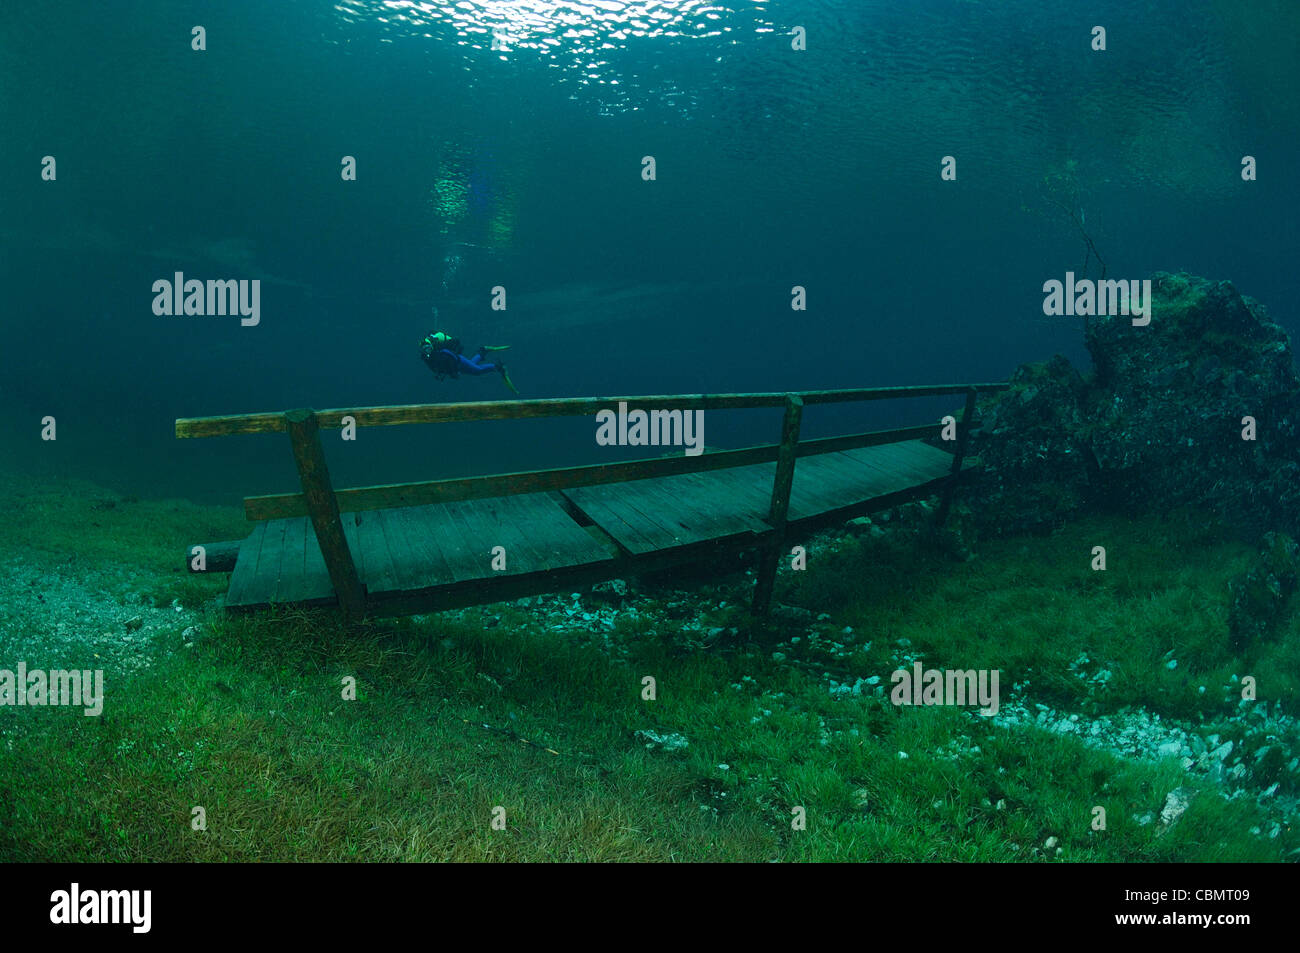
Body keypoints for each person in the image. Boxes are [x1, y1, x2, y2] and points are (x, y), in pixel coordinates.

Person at [420, 330, 517, 394]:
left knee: (477, 371)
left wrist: (453, 372)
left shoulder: (440, 352)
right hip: (458, 365)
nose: (427, 350)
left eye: (428, 348)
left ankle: (499, 367)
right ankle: (483, 351)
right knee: (472, 366)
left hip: (459, 362)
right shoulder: (428, 357)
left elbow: (450, 356)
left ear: (431, 346)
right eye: (425, 349)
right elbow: (437, 366)